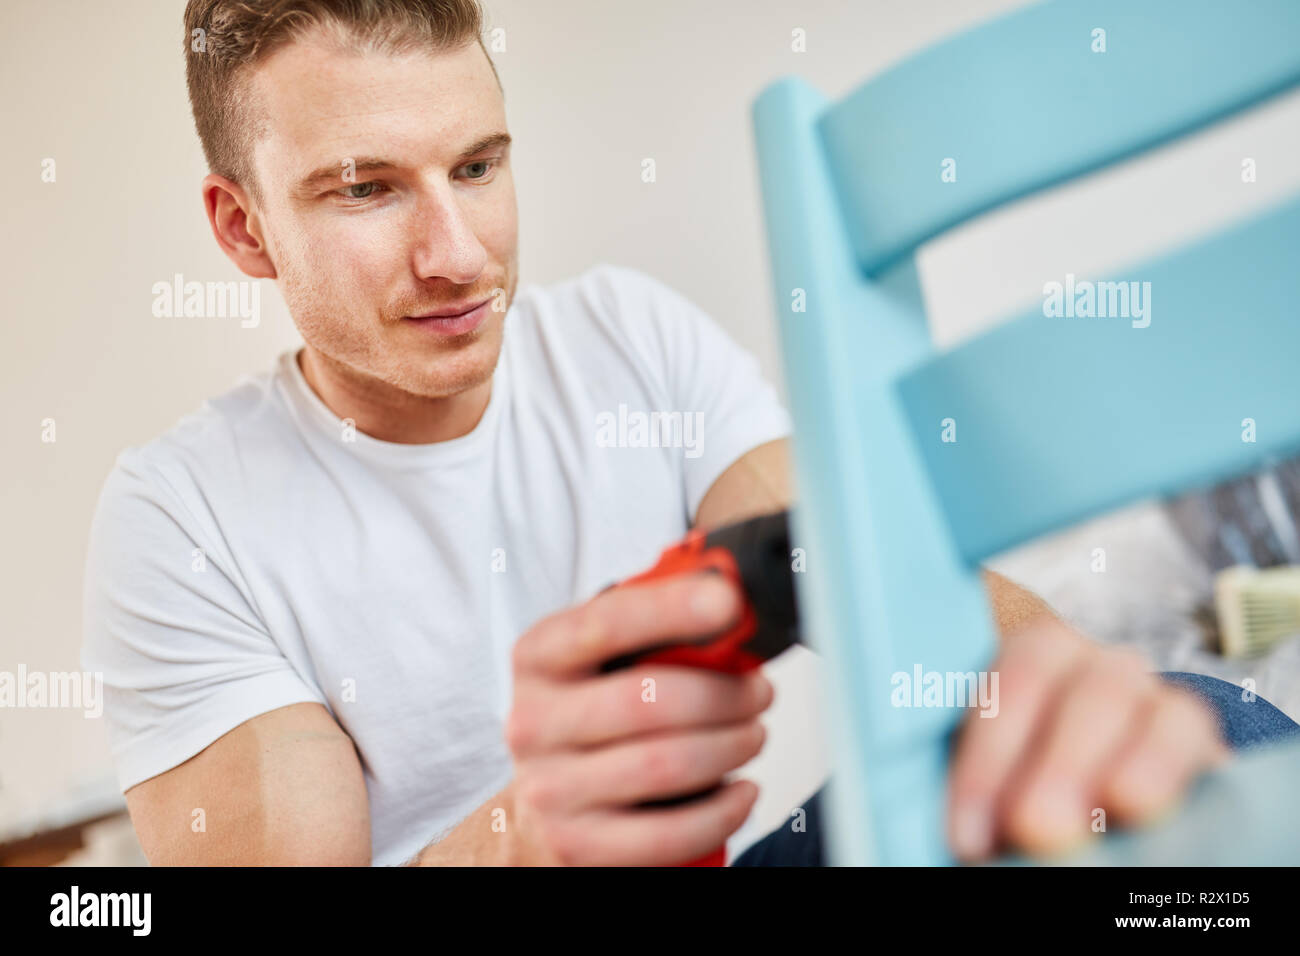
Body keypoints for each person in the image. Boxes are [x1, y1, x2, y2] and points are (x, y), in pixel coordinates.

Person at [82, 0, 1257, 866]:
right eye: (365, 190)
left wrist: (1056, 690)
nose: (459, 255)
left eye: (478, 167)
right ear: (242, 229)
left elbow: (848, 561)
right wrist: (527, 839)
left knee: (1214, 729)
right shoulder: (181, 516)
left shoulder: (626, 336)